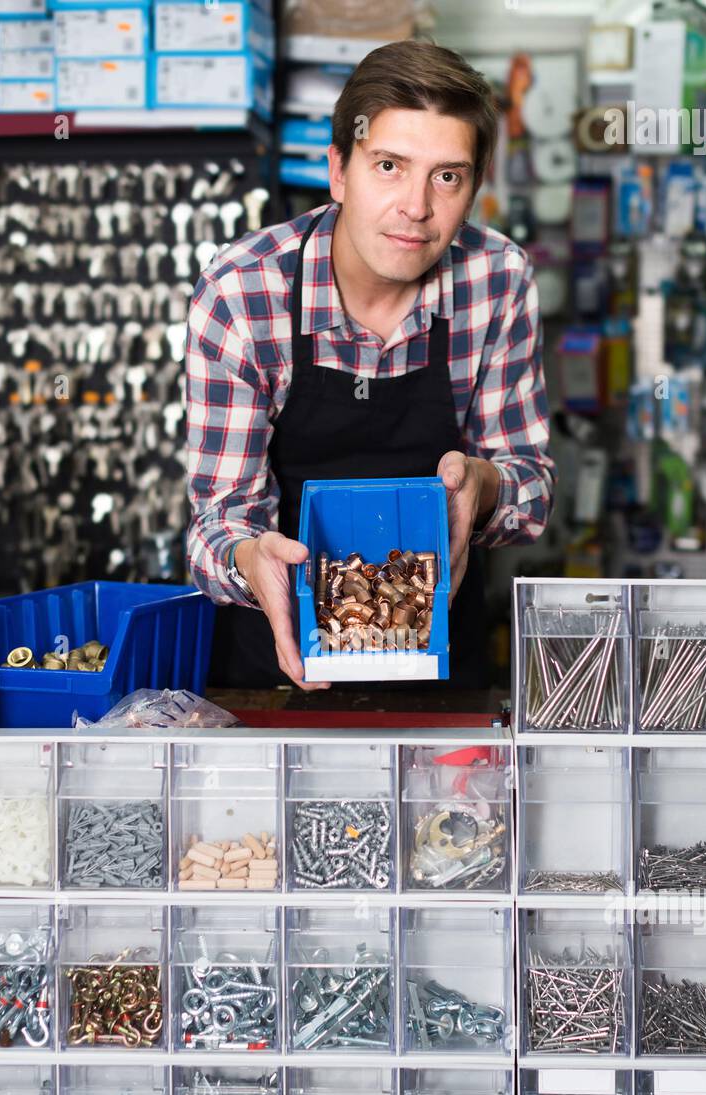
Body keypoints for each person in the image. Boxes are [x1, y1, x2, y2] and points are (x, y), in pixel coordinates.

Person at [186, 38, 556, 691]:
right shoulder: (242, 295)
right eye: (388, 165)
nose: (416, 206)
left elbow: (531, 490)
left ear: (472, 189)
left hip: (439, 664)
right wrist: (249, 555)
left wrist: (484, 484)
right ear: (337, 171)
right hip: (272, 668)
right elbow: (217, 522)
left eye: (447, 175)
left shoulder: (496, 279)